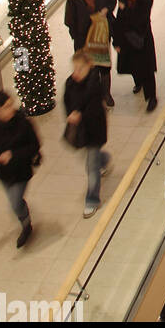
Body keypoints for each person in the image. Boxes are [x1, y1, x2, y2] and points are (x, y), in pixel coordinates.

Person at [0, 90, 40, 248]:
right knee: (14, 201)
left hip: (21, 171)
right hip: (3, 172)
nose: (11, 109)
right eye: (7, 107)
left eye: (11, 105)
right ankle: (24, 219)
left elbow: (34, 145)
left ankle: (26, 224)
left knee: (15, 202)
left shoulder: (23, 122)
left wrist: (13, 154)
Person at [64, 50, 110, 218]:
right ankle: (104, 160)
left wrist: (79, 115)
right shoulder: (70, 83)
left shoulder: (94, 85)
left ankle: (92, 200)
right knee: (93, 159)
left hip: (94, 132)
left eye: (80, 69)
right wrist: (71, 114)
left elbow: (94, 110)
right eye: (74, 68)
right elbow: (67, 102)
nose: (76, 73)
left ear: (88, 67)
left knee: (91, 167)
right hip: (82, 132)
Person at [64, 0, 117, 106]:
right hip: (83, 37)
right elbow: (69, 19)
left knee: (104, 65)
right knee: (87, 66)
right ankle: (90, 94)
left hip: (100, 34)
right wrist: (76, 35)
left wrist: (106, 9)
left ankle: (106, 93)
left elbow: (113, 1)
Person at [113, 0, 158, 112]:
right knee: (132, 64)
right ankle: (138, 82)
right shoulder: (122, 1)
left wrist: (125, 10)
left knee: (147, 69)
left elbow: (139, 22)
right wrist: (117, 43)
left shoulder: (146, 2)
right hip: (127, 41)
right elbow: (119, 22)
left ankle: (151, 97)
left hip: (142, 41)